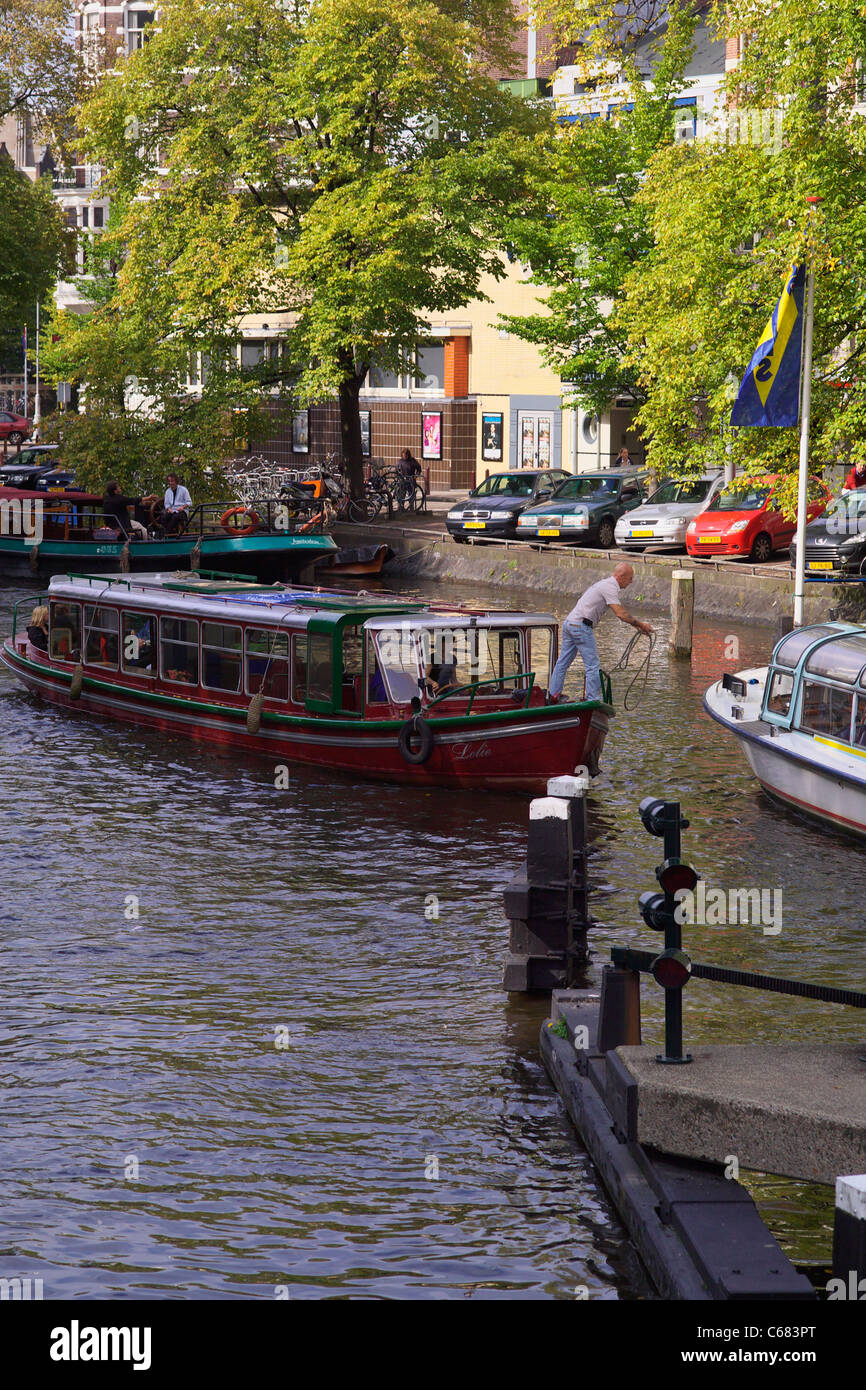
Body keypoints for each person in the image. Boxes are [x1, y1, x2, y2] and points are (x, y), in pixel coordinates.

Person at [547, 563, 653, 704]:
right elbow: (620, 613)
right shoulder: (610, 587)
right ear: (620, 577)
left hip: (570, 623)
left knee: (562, 663)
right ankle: (593, 700)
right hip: (581, 626)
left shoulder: (604, 584)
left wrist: (638, 627)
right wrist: (641, 625)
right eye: (630, 578)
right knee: (592, 665)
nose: (631, 582)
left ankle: (553, 695)